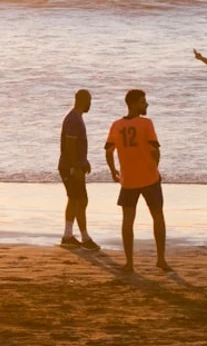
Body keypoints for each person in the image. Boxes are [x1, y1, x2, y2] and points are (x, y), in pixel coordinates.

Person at [105, 89, 170, 273]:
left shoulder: (116, 125)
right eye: (143, 102)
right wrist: (155, 166)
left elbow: (108, 151)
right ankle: (161, 259)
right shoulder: (146, 124)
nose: (146, 104)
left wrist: (113, 171)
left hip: (128, 180)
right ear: (133, 104)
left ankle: (129, 263)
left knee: (127, 220)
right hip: (149, 178)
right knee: (157, 216)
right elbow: (155, 150)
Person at [59, 90, 99, 250]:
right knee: (81, 200)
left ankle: (68, 235)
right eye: (90, 100)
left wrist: (84, 161)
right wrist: (75, 167)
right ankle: (85, 237)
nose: (91, 104)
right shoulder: (74, 119)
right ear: (83, 100)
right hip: (70, 167)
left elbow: (76, 145)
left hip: (71, 165)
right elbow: (70, 145)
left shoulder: (75, 118)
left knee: (74, 199)